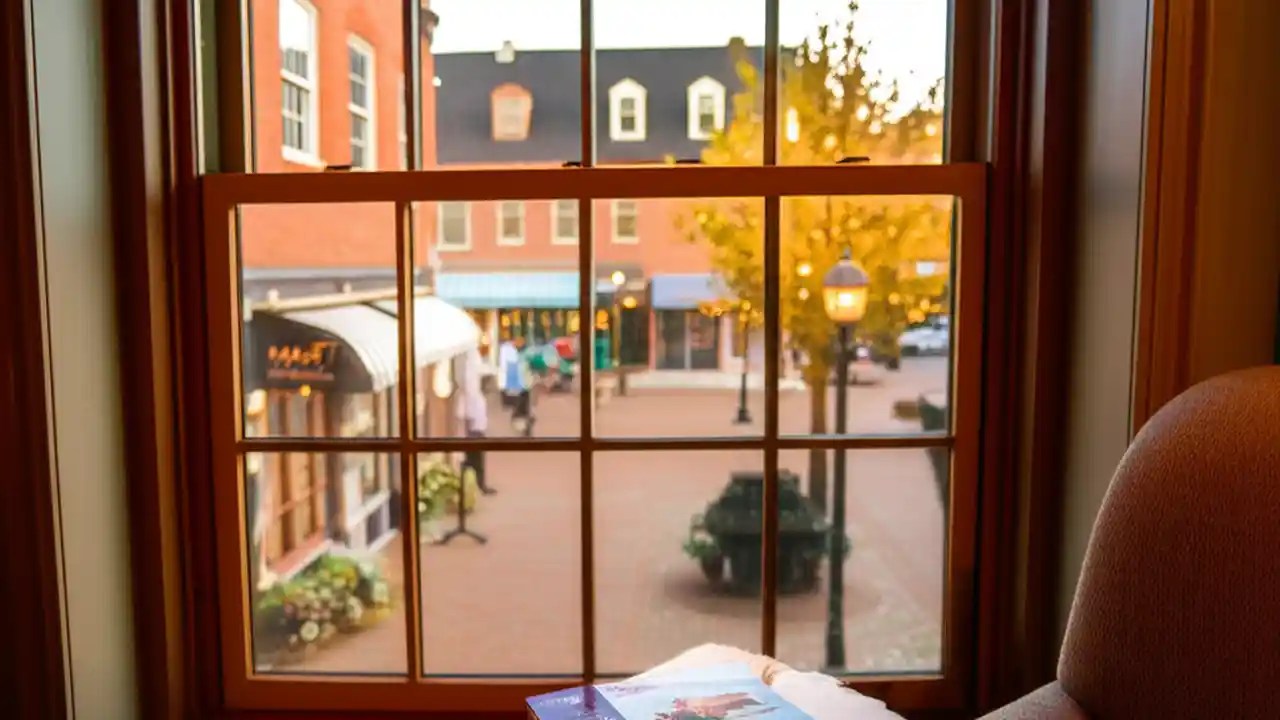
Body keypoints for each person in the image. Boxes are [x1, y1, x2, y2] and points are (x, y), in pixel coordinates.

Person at [455, 347, 494, 494]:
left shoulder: (476, 392)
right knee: (473, 455)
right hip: (472, 423)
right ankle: (475, 484)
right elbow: (469, 388)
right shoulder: (469, 358)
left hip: (474, 421)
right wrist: (471, 420)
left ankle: (476, 483)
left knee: (474, 455)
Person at [499, 335, 534, 435]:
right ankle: (524, 425)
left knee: (521, 406)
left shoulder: (519, 355)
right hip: (522, 386)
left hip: (522, 386)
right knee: (522, 407)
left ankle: (524, 424)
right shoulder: (519, 356)